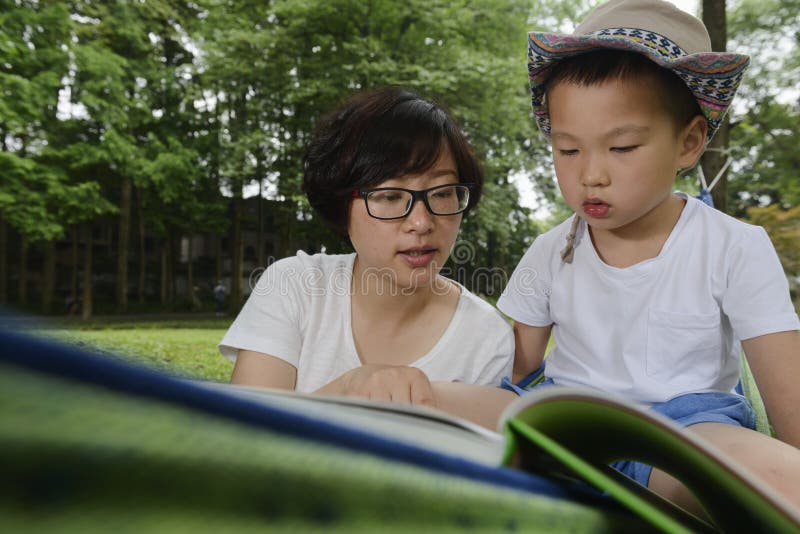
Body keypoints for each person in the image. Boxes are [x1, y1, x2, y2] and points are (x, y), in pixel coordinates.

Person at [495, 0, 800, 513]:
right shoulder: (552, 249)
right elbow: (513, 368)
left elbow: (788, 398)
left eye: (622, 148)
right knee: (428, 402)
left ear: (688, 143)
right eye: (568, 150)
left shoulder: (734, 246)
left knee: (775, 476)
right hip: (567, 431)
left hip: (685, 437)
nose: (591, 174)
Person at [218, 87, 513, 402]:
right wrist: (347, 389)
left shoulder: (487, 337)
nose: (421, 223)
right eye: (389, 196)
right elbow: (246, 440)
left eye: (442, 193)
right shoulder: (294, 286)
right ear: (342, 205)